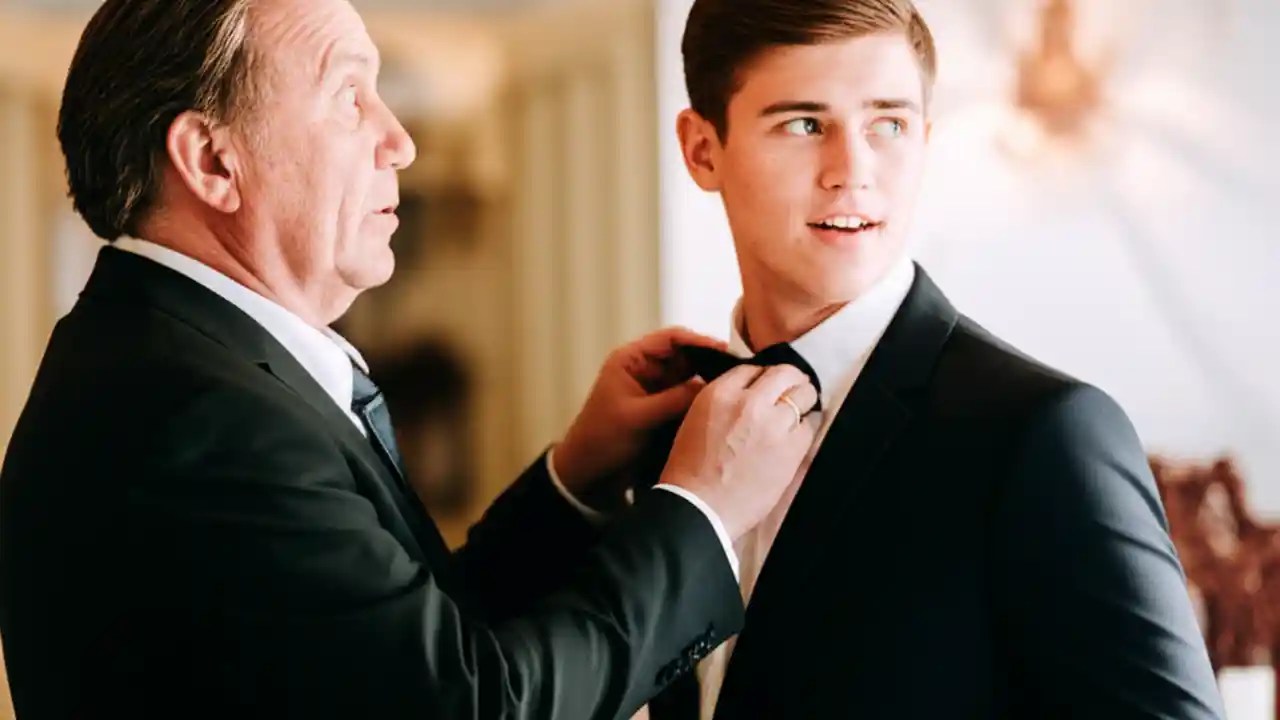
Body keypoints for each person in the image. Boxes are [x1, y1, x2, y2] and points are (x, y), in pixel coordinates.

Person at [0, 0, 822, 718]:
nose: (398, 140)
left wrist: (575, 478)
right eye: (348, 97)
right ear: (214, 161)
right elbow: (468, 705)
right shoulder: (194, 416)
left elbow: (395, 652)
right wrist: (703, 510)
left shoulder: (180, 364)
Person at [639, 0, 1228, 717]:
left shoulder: (1046, 435)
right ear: (703, 151)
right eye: (804, 124)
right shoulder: (671, 424)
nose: (851, 172)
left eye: (887, 124)